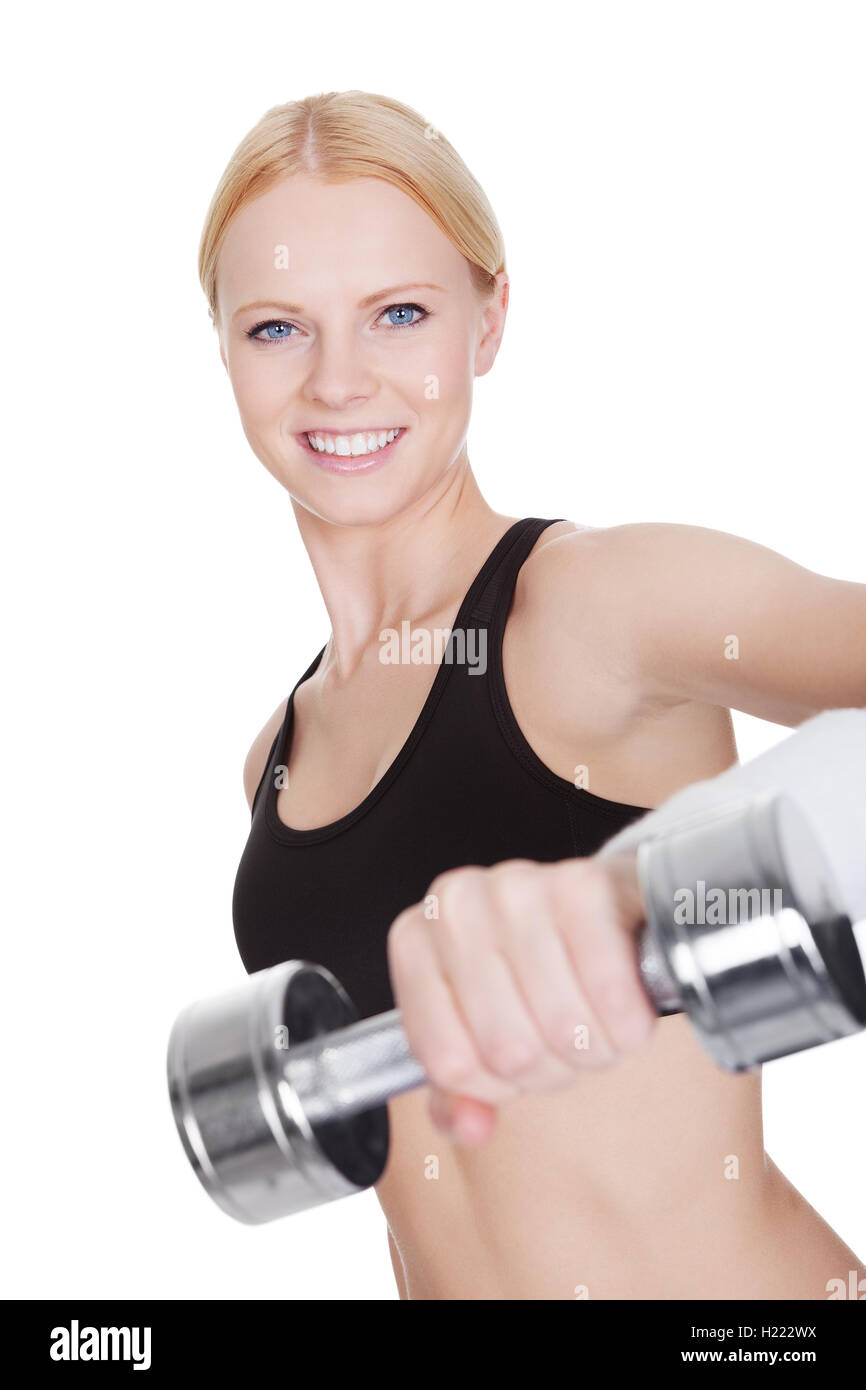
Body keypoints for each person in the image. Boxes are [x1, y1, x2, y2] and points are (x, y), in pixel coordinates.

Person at [201, 90, 866, 1299]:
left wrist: (625, 890)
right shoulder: (273, 761)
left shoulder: (599, 604)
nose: (339, 382)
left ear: (488, 320)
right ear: (223, 346)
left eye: (398, 313)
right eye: (277, 328)